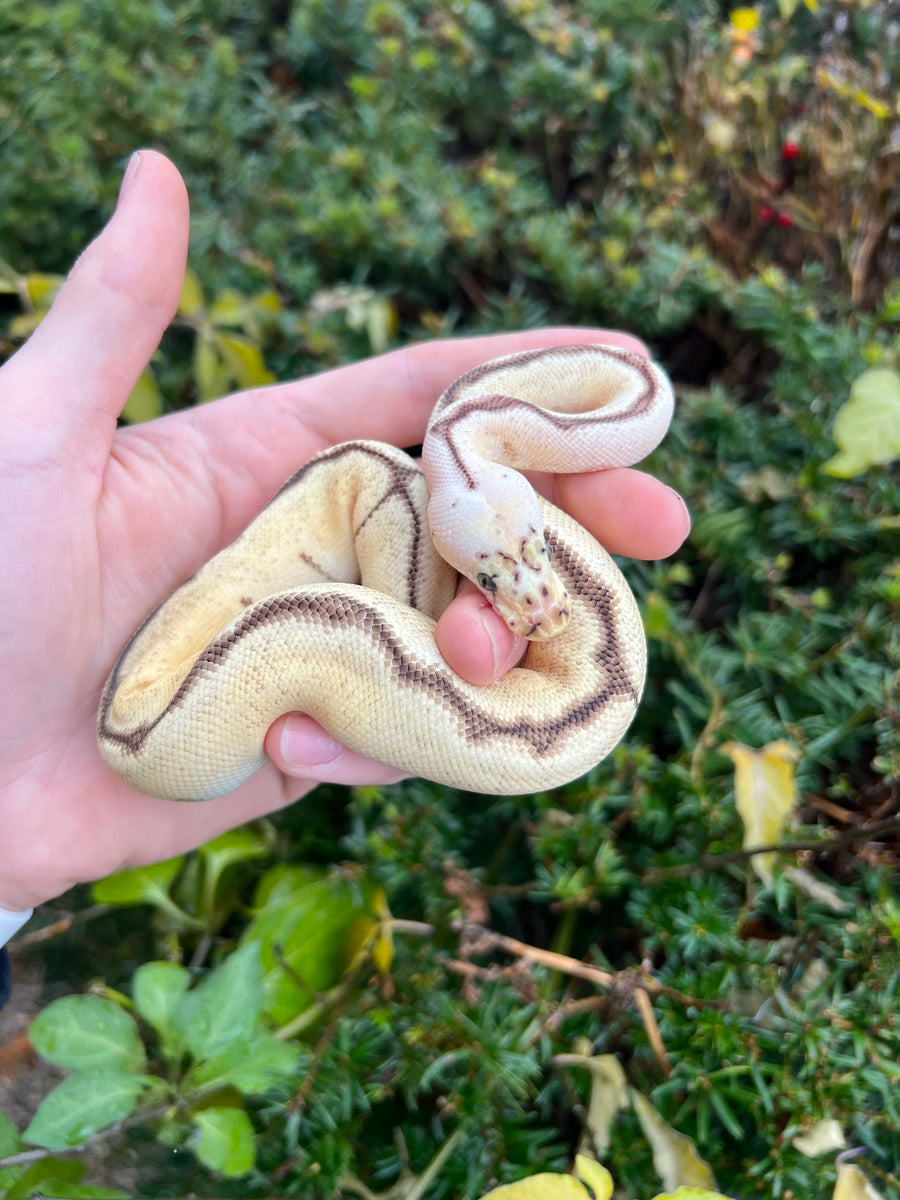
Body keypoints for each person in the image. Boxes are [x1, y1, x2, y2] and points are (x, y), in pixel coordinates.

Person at [0, 150, 690, 947]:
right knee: (386, 495)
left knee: (389, 493)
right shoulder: (460, 490)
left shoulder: (469, 489)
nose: (525, 593)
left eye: (511, 564)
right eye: (497, 575)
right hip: (160, 716)